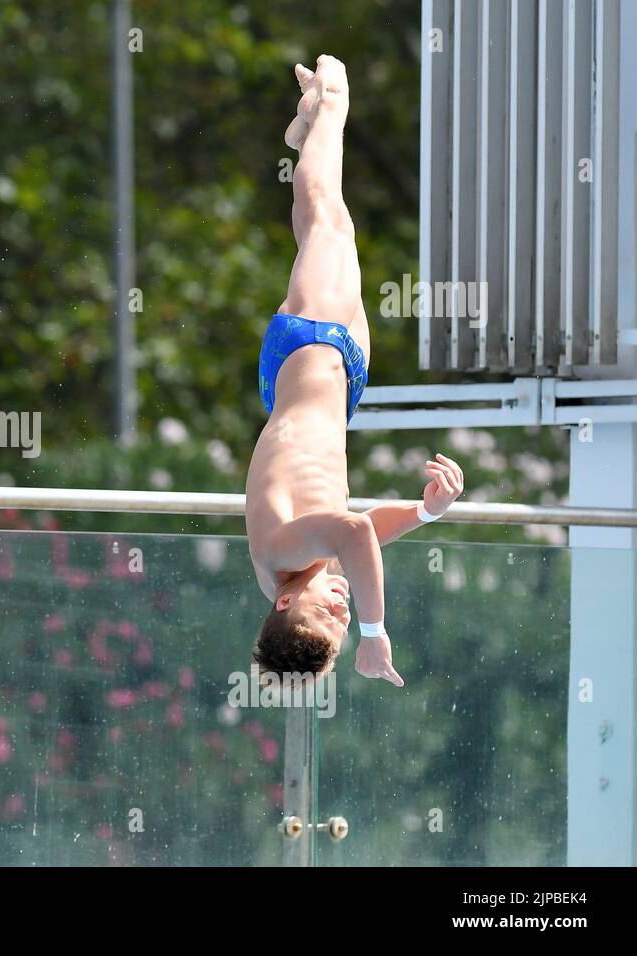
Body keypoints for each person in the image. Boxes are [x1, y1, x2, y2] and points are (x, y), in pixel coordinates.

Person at [244, 56, 465, 687]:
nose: (341, 610)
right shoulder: (307, 564)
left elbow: (350, 532)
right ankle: (312, 122)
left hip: (310, 354)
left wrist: (374, 632)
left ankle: (329, 101)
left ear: (285, 602)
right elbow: (364, 530)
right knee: (325, 227)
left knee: (326, 215)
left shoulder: (281, 555)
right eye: (341, 624)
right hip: (335, 378)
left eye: (324, 615)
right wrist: (425, 513)